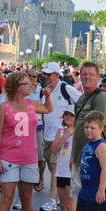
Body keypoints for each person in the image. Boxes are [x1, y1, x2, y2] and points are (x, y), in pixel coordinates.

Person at [0, 71, 52, 211]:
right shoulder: (4, 107)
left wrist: (47, 97)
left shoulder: (31, 104)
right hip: (9, 156)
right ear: (16, 87)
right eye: (26, 84)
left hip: (29, 157)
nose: (30, 86)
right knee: (7, 197)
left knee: (26, 197)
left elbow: (48, 109)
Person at [38, 63, 79, 201]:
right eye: (45, 74)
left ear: (57, 74)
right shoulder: (44, 91)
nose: (46, 77)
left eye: (49, 75)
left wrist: (73, 126)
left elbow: (81, 102)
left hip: (62, 136)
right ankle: (62, 196)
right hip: (48, 135)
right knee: (52, 167)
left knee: (55, 168)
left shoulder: (65, 88)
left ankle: (52, 199)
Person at [44, 110, 76, 211]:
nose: (68, 117)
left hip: (72, 173)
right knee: (62, 205)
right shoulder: (61, 131)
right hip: (61, 171)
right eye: (66, 115)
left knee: (70, 204)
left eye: (71, 115)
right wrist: (65, 136)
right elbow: (53, 148)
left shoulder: (79, 133)